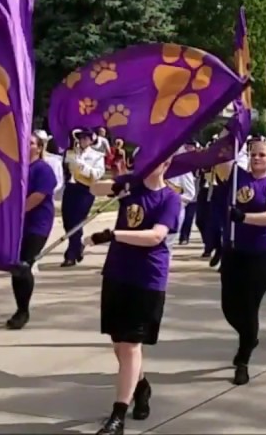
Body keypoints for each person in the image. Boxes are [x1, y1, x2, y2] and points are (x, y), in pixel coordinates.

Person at [89, 156, 182, 435]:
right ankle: (141, 387)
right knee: (119, 344)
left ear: (166, 164)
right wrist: (117, 184)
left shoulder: (170, 199)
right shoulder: (131, 186)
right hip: (117, 273)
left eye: (158, 159)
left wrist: (113, 235)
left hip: (147, 278)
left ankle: (118, 416)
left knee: (130, 346)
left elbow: (156, 236)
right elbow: (94, 189)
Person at [220, 139, 266, 385]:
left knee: (249, 306)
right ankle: (250, 336)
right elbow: (223, 156)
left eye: (262, 155)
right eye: (253, 154)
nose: (256, 158)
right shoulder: (238, 176)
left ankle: (243, 358)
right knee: (229, 307)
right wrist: (232, 130)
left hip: (260, 254)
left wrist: (243, 217)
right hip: (234, 251)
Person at [7, 133, 60, 330]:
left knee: (24, 264)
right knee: (15, 266)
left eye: (30, 143)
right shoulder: (17, 168)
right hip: (17, 225)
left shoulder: (43, 169)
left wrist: (16, 213)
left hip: (37, 224)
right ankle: (19, 307)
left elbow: (38, 196)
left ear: (39, 148)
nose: (26, 145)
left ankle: (23, 311)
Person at [62, 129, 107, 268]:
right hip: (70, 188)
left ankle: (70, 255)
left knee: (77, 222)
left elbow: (98, 173)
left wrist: (83, 167)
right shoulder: (72, 152)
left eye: (86, 138)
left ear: (91, 140)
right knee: (67, 222)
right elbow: (66, 168)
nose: (83, 141)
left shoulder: (97, 156)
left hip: (85, 190)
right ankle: (78, 246)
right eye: (81, 138)